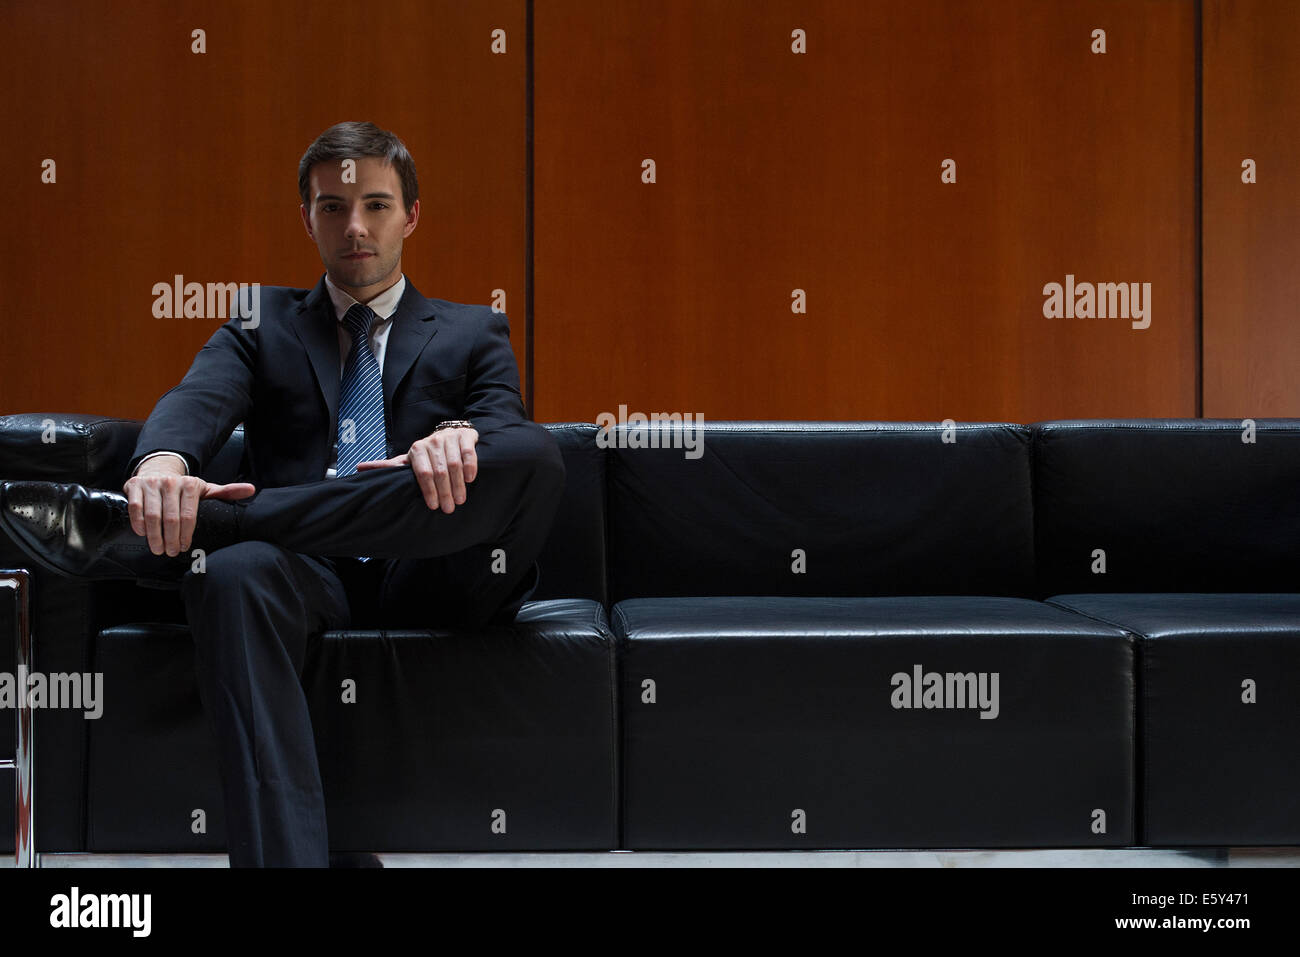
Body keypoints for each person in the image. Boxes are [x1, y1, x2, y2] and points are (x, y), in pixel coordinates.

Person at [0, 121, 566, 867]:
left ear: (412, 214)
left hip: (440, 566)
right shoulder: (260, 322)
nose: (354, 226)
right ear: (307, 218)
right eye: (332, 207)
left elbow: (503, 437)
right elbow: (196, 399)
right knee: (230, 573)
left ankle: (220, 521)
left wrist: (461, 438)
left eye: (375, 204)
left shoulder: (473, 329)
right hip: (308, 570)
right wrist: (163, 464)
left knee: (535, 453)